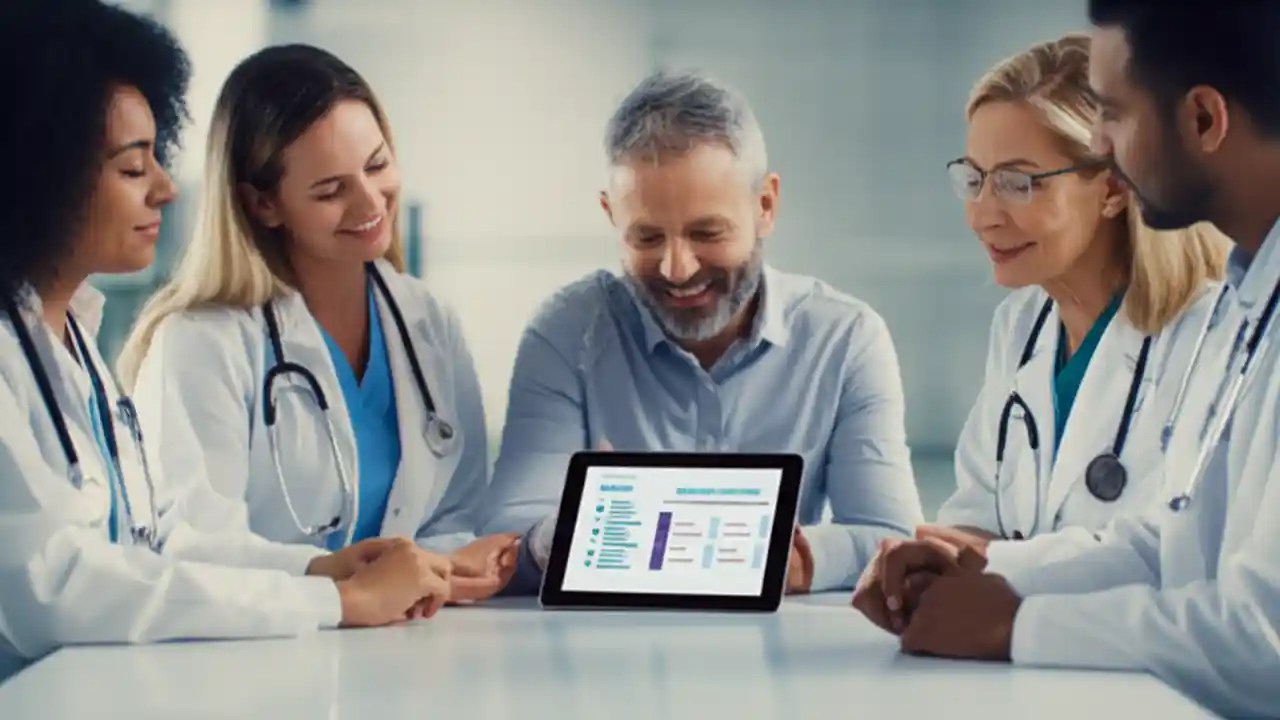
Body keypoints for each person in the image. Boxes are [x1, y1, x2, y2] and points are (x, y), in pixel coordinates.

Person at [0, 0, 455, 679]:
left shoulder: (75, 345)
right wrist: (330, 598)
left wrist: (317, 566)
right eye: (133, 169)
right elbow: (54, 588)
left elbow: (158, 549)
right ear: (40, 175)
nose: (165, 190)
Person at [853, 2, 1280, 716]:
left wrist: (1018, 624)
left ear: (1203, 120)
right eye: (976, 177)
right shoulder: (1251, 302)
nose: (1105, 145)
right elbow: (1169, 549)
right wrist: (985, 567)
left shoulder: (1218, 318)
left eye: (1113, 114)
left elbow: (1263, 639)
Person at [481, 71, 925, 595]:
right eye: (646, 237)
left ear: (765, 206)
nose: (676, 267)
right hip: (606, 655)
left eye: (706, 233)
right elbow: (503, 544)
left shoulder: (846, 338)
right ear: (610, 214)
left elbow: (891, 539)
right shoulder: (565, 332)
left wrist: (626, 532)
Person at [120, 45, 518, 600]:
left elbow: (455, 514)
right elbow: (192, 546)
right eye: (331, 190)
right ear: (263, 205)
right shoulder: (202, 342)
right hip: (259, 654)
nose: (368, 204)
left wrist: (453, 567)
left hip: (411, 646)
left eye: (377, 165)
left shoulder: (427, 321)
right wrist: (342, 580)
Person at [923, 35, 1227, 583]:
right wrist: (926, 565)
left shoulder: (1210, 336)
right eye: (975, 179)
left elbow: (1179, 560)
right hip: (1016, 653)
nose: (982, 215)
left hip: (1132, 663)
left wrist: (995, 566)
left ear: (1113, 187)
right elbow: (976, 520)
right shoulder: (1019, 327)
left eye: (1018, 183)